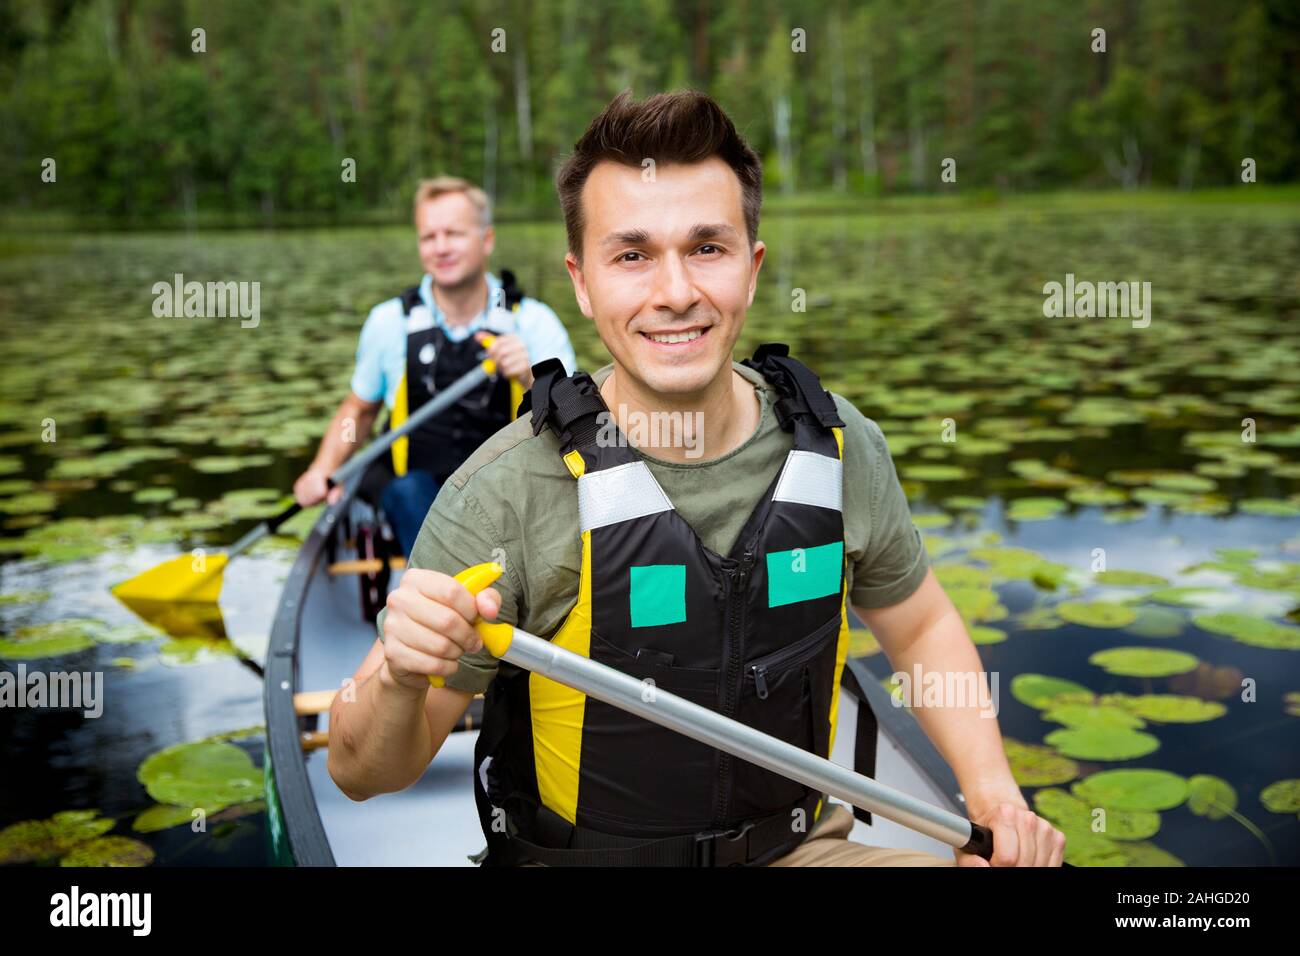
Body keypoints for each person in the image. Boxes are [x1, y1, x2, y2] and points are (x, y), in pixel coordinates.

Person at [327, 91, 1066, 868]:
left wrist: (995, 802)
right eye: (633, 255)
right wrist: (401, 680)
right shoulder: (503, 492)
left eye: (707, 248)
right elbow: (361, 770)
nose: (675, 291)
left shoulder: (842, 446)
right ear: (583, 282)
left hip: (797, 853)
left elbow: (919, 628)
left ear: (752, 268)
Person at [293, 176, 577, 555]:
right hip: (415, 492)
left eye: (454, 234)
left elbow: (576, 425)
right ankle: (444, 588)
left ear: (486, 239)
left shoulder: (533, 322)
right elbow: (358, 413)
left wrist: (530, 377)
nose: (440, 248)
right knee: (409, 490)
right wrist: (321, 469)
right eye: (429, 237)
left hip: (506, 490)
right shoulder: (389, 322)